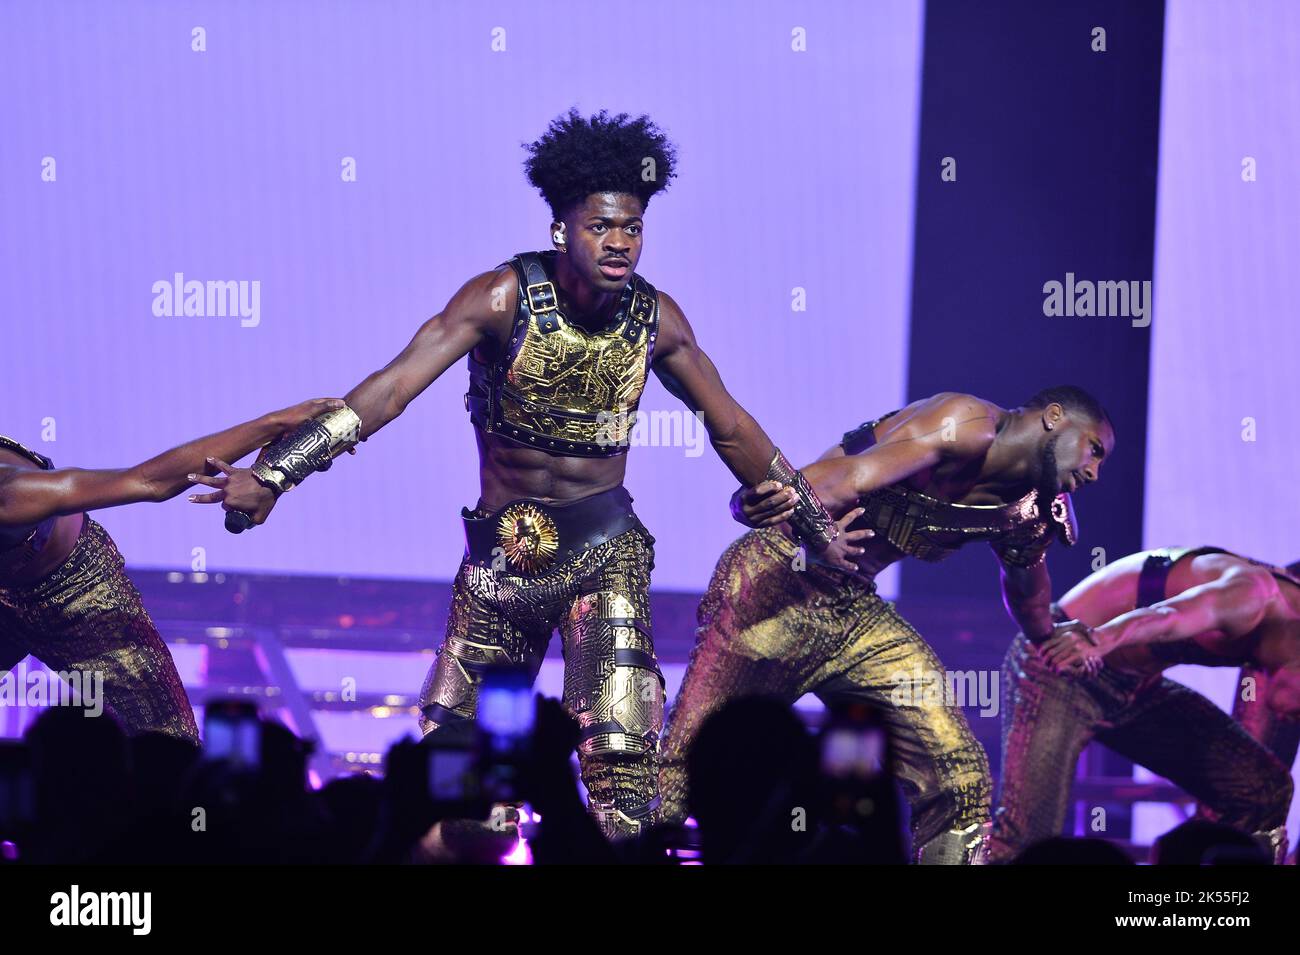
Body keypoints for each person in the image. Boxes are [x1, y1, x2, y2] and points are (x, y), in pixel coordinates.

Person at [195, 110, 845, 837]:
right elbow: (389, 390)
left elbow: (730, 424)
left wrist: (814, 524)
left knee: (621, 767)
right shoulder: (501, 299)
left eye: (632, 227)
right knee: (460, 773)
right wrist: (276, 475)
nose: (621, 242)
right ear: (561, 228)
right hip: (502, 565)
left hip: (606, 556)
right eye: (603, 226)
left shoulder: (655, 320)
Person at [660, 386, 1116, 862]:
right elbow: (842, 478)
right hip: (777, 578)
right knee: (681, 772)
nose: (1094, 471)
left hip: (855, 610)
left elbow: (1027, 589)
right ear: (1054, 417)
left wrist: (1050, 638)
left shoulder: (1033, 509)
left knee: (960, 777)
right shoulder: (963, 425)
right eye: (1094, 449)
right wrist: (803, 524)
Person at [0, 398, 343, 741]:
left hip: (76, 592)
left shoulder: (12, 493)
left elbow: (149, 481)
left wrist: (274, 424)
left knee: (166, 741)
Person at [991, 546, 1300, 863]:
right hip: (1062, 665)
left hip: (1134, 690)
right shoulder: (1253, 597)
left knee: (1262, 789)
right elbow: (1167, 617)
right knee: (1024, 843)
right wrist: (1098, 640)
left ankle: (1188, 907)